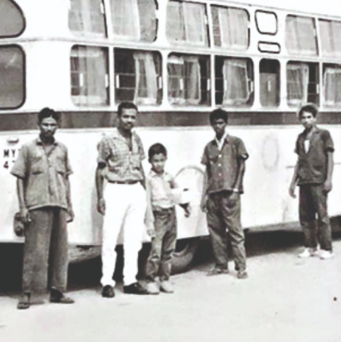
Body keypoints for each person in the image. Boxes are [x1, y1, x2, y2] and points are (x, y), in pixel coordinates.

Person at [10, 108, 75, 310]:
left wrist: (69, 205)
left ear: (57, 127)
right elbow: (20, 179)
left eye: (53, 125)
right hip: (36, 204)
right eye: (45, 124)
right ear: (38, 126)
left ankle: (58, 291)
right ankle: (28, 293)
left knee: (60, 251)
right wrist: (23, 207)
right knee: (35, 251)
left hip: (59, 204)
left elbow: (66, 179)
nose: (49, 128)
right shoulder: (28, 149)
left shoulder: (62, 149)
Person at [96, 102, 151, 297]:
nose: (129, 120)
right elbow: (100, 169)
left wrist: (144, 191)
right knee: (110, 238)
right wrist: (100, 196)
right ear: (118, 118)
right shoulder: (108, 141)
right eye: (126, 116)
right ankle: (107, 282)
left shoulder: (137, 139)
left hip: (135, 189)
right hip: (115, 190)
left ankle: (130, 280)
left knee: (133, 239)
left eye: (133, 117)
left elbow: (141, 168)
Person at [200, 108, 249, 279]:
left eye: (221, 123)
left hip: (230, 194)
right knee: (215, 232)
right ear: (211, 125)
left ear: (226, 124)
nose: (218, 126)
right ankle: (221, 265)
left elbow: (242, 167)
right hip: (213, 194)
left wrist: (236, 189)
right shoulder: (209, 147)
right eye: (215, 123)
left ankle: (241, 267)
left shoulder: (236, 142)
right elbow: (207, 172)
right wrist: (204, 197)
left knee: (235, 231)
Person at [288, 104, 335, 260]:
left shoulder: (323, 135)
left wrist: (328, 179)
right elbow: (299, 161)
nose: (306, 120)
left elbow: (330, 158)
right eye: (303, 118)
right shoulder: (301, 138)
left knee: (322, 215)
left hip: (318, 180)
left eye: (309, 117)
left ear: (315, 118)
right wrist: (293, 182)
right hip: (305, 181)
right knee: (306, 216)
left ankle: (327, 248)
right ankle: (310, 246)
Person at [143, 143, 191, 295]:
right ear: (150, 161)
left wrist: (184, 205)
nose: (159, 164)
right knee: (156, 250)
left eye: (162, 160)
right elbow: (147, 201)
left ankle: (164, 279)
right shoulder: (149, 179)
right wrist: (149, 222)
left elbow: (176, 193)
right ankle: (150, 280)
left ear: (166, 159)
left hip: (171, 214)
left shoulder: (169, 176)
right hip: (158, 216)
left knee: (169, 249)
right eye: (156, 161)